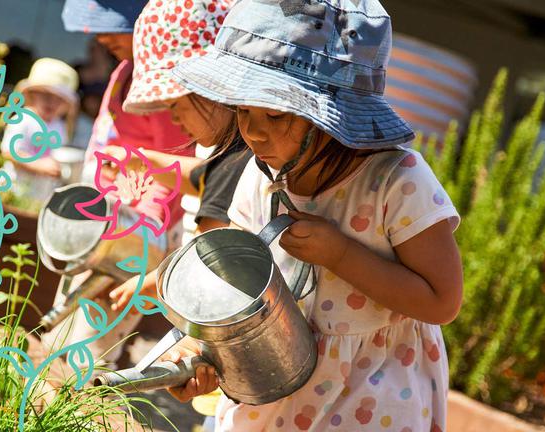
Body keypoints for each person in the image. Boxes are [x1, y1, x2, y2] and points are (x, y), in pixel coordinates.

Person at [162, 1, 464, 431]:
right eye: (244, 111)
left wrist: (341, 255)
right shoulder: (259, 174)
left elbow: (442, 300)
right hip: (272, 389)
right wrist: (196, 352)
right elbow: (230, 286)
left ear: (332, 117)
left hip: (370, 396)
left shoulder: (396, 181)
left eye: (277, 113)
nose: (255, 132)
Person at [97, 2, 241, 429]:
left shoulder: (234, 158)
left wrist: (160, 283)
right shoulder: (226, 152)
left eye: (175, 103)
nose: (172, 117)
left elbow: (216, 267)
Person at [42, 0, 193, 370]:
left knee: (92, 336)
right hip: (101, 213)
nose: (101, 36)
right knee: (64, 322)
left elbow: (171, 164)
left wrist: (141, 227)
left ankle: (74, 412)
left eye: (113, 27)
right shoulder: (125, 70)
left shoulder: (163, 84)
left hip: (136, 224)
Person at [0, 57, 80, 203]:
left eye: (59, 99)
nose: (52, 103)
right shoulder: (24, 119)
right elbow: (10, 151)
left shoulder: (59, 127)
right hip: (13, 192)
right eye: (46, 95)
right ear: (31, 94)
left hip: (40, 196)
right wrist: (37, 165)